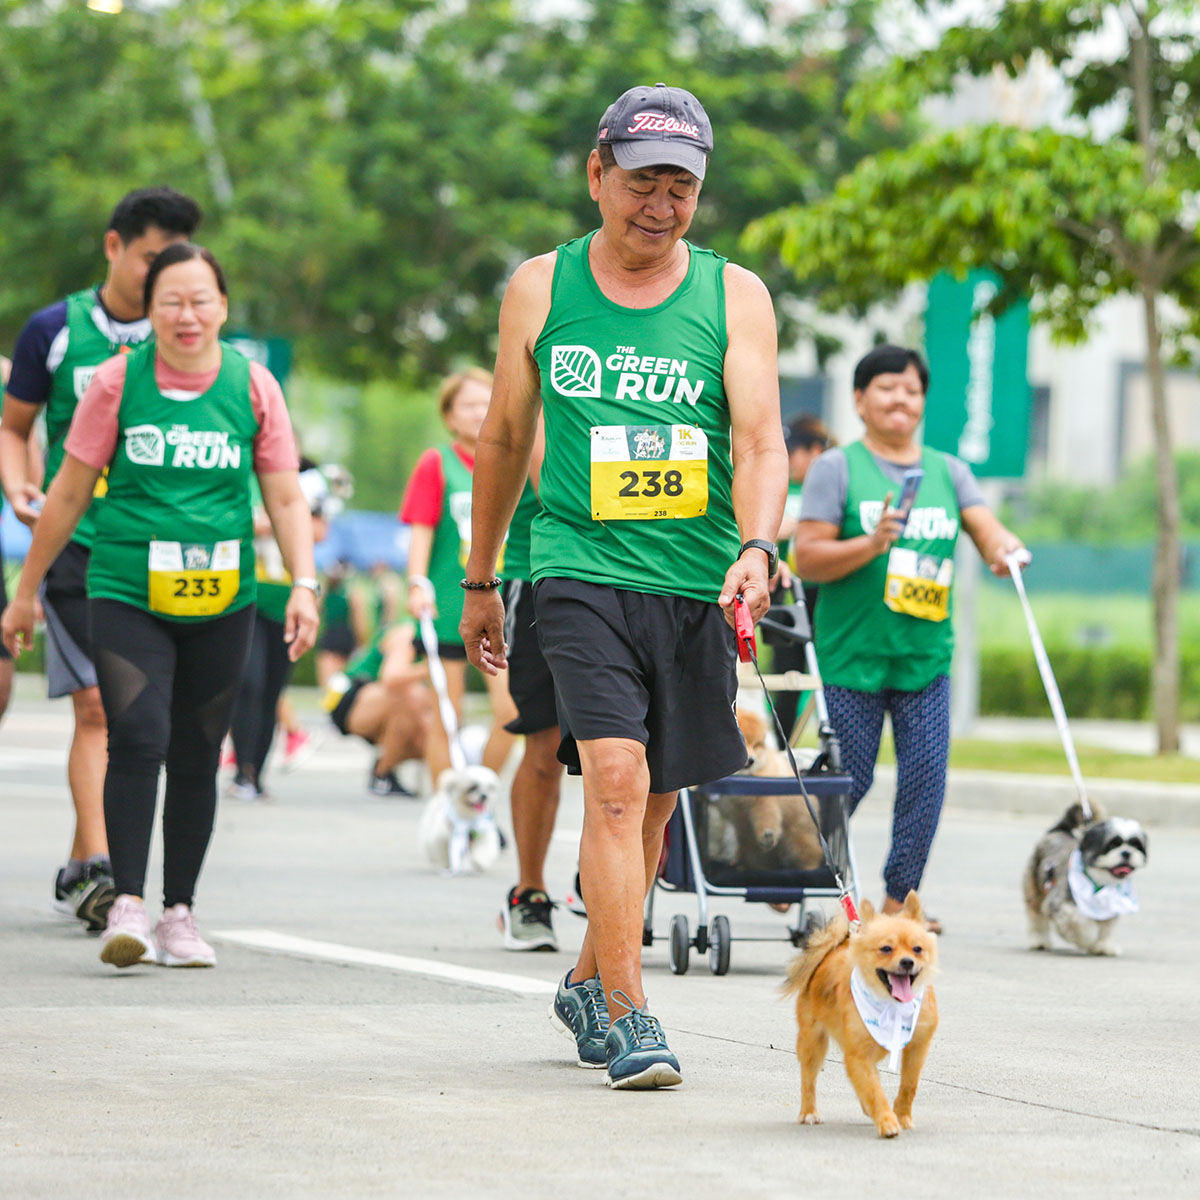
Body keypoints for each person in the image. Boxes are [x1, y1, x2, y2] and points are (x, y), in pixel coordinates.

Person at [460, 83, 787, 1088]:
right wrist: (480, 576)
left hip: (693, 581)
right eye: (642, 178)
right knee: (612, 781)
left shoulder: (735, 295)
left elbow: (761, 438)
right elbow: (508, 437)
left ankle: (588, 976)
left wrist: (759, 546)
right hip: (574, 568)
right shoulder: (541, 287)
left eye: (680, 185)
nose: (660, 203)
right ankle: (633, 1006)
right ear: (597, 173)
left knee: (648, 810)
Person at [1, 242, 319, 969]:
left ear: (223, 308)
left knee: (199, 750)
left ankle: (181, 912)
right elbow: (71, 493)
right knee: (138, 733)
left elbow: (284, 493)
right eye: (170, 300)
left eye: (200, 299)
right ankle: (129, 903)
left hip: (222, 595)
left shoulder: (253, 386)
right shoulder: (116, 383)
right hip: (126, 591)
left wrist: (303, 581)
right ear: (149, 310)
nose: (186, 314)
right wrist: (25, 594)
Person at [0, 187, 202, 932]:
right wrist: (20, 481)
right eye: (153, 257)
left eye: (177, 261)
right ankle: (102, 869)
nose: (165, 276)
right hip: (80, 548)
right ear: (115, 248)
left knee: (149, 718)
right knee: (97, 705)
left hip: (164, 551)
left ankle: (97, 863)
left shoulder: (184, 337)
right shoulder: (55, 331)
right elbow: (14, 424)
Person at [792, 344, 1026, 933]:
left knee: (926, 778)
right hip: (853, 655)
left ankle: (900, 905)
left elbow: (983, 526)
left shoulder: (949, 471)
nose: (902, 399)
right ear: (860, 400)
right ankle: (792, 864)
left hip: (924, 657)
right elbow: (808, 557)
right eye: (888, 387)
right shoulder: (838, 468)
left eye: (913, 390)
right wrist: (870, 545)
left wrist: (1004, 550)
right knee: (854, 777)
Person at [400, 368, 517, 781]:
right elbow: (421, 529)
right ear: (449, 416)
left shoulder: (514, 461)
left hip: (505, 602)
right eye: (468, 405)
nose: (478, 412)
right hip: (449, 605)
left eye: (487, 402)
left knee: (510, 712)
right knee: (446, 716)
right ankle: (447, 814)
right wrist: (416, 583)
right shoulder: (437, 463)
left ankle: (475, 798)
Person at [497, 418, 565, 952]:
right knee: (544, 746)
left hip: (644, 577)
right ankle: (530, 891)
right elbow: (558, 484)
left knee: (632, 749)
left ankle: (609, 883)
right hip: (541, 575)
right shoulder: (546, 386)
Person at [227, 457, 331, 800]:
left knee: (272, 690)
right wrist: (277, 521)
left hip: (288, 602)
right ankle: (242, 770)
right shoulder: (241, 474)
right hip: (245, 598)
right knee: (248, 683)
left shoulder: (305, 482)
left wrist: (281, 521)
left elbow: (319, 530)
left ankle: (257, 773)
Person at [767, 414, 831, 736]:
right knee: (786, 678)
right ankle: (781, 749)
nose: (789, 461)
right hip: (788, 593)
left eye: (794, 454)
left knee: (829, 677)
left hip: (826, 595)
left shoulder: (834, 487)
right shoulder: (782, 487)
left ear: (815, 451)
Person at [323, 621, 430, 795]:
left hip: (382, 704)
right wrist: (432, 668)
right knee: (412, 695)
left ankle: (387, 765)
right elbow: (391, 677)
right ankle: (383, 771)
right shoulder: (408, 633)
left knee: (428, 736)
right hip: (353, 698)